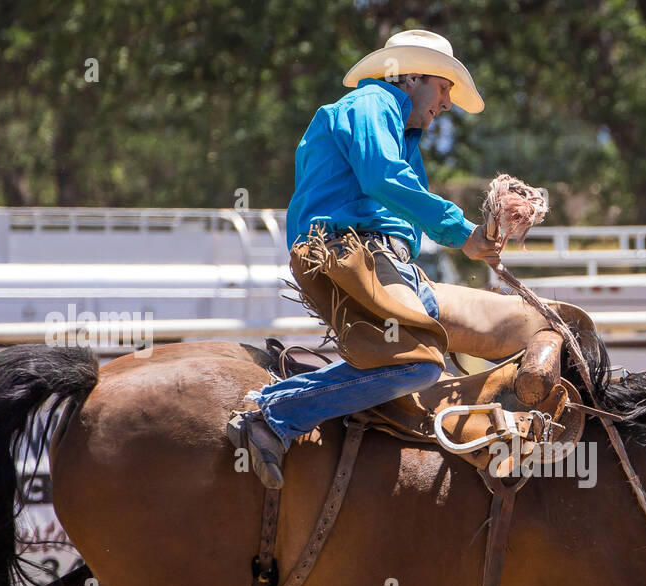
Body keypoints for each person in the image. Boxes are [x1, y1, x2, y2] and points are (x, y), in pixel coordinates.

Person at [229, 29, 561, 489]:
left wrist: (464, 237)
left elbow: (399, 192)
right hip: (351, 251)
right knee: (418, 365)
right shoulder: (373, 104)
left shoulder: (398, 128)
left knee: (522, 329)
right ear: (410, 78)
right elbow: (382, 177)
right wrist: (462, 231)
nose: (446, 103)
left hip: (382, 260)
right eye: (444, 88)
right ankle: (275, 413)